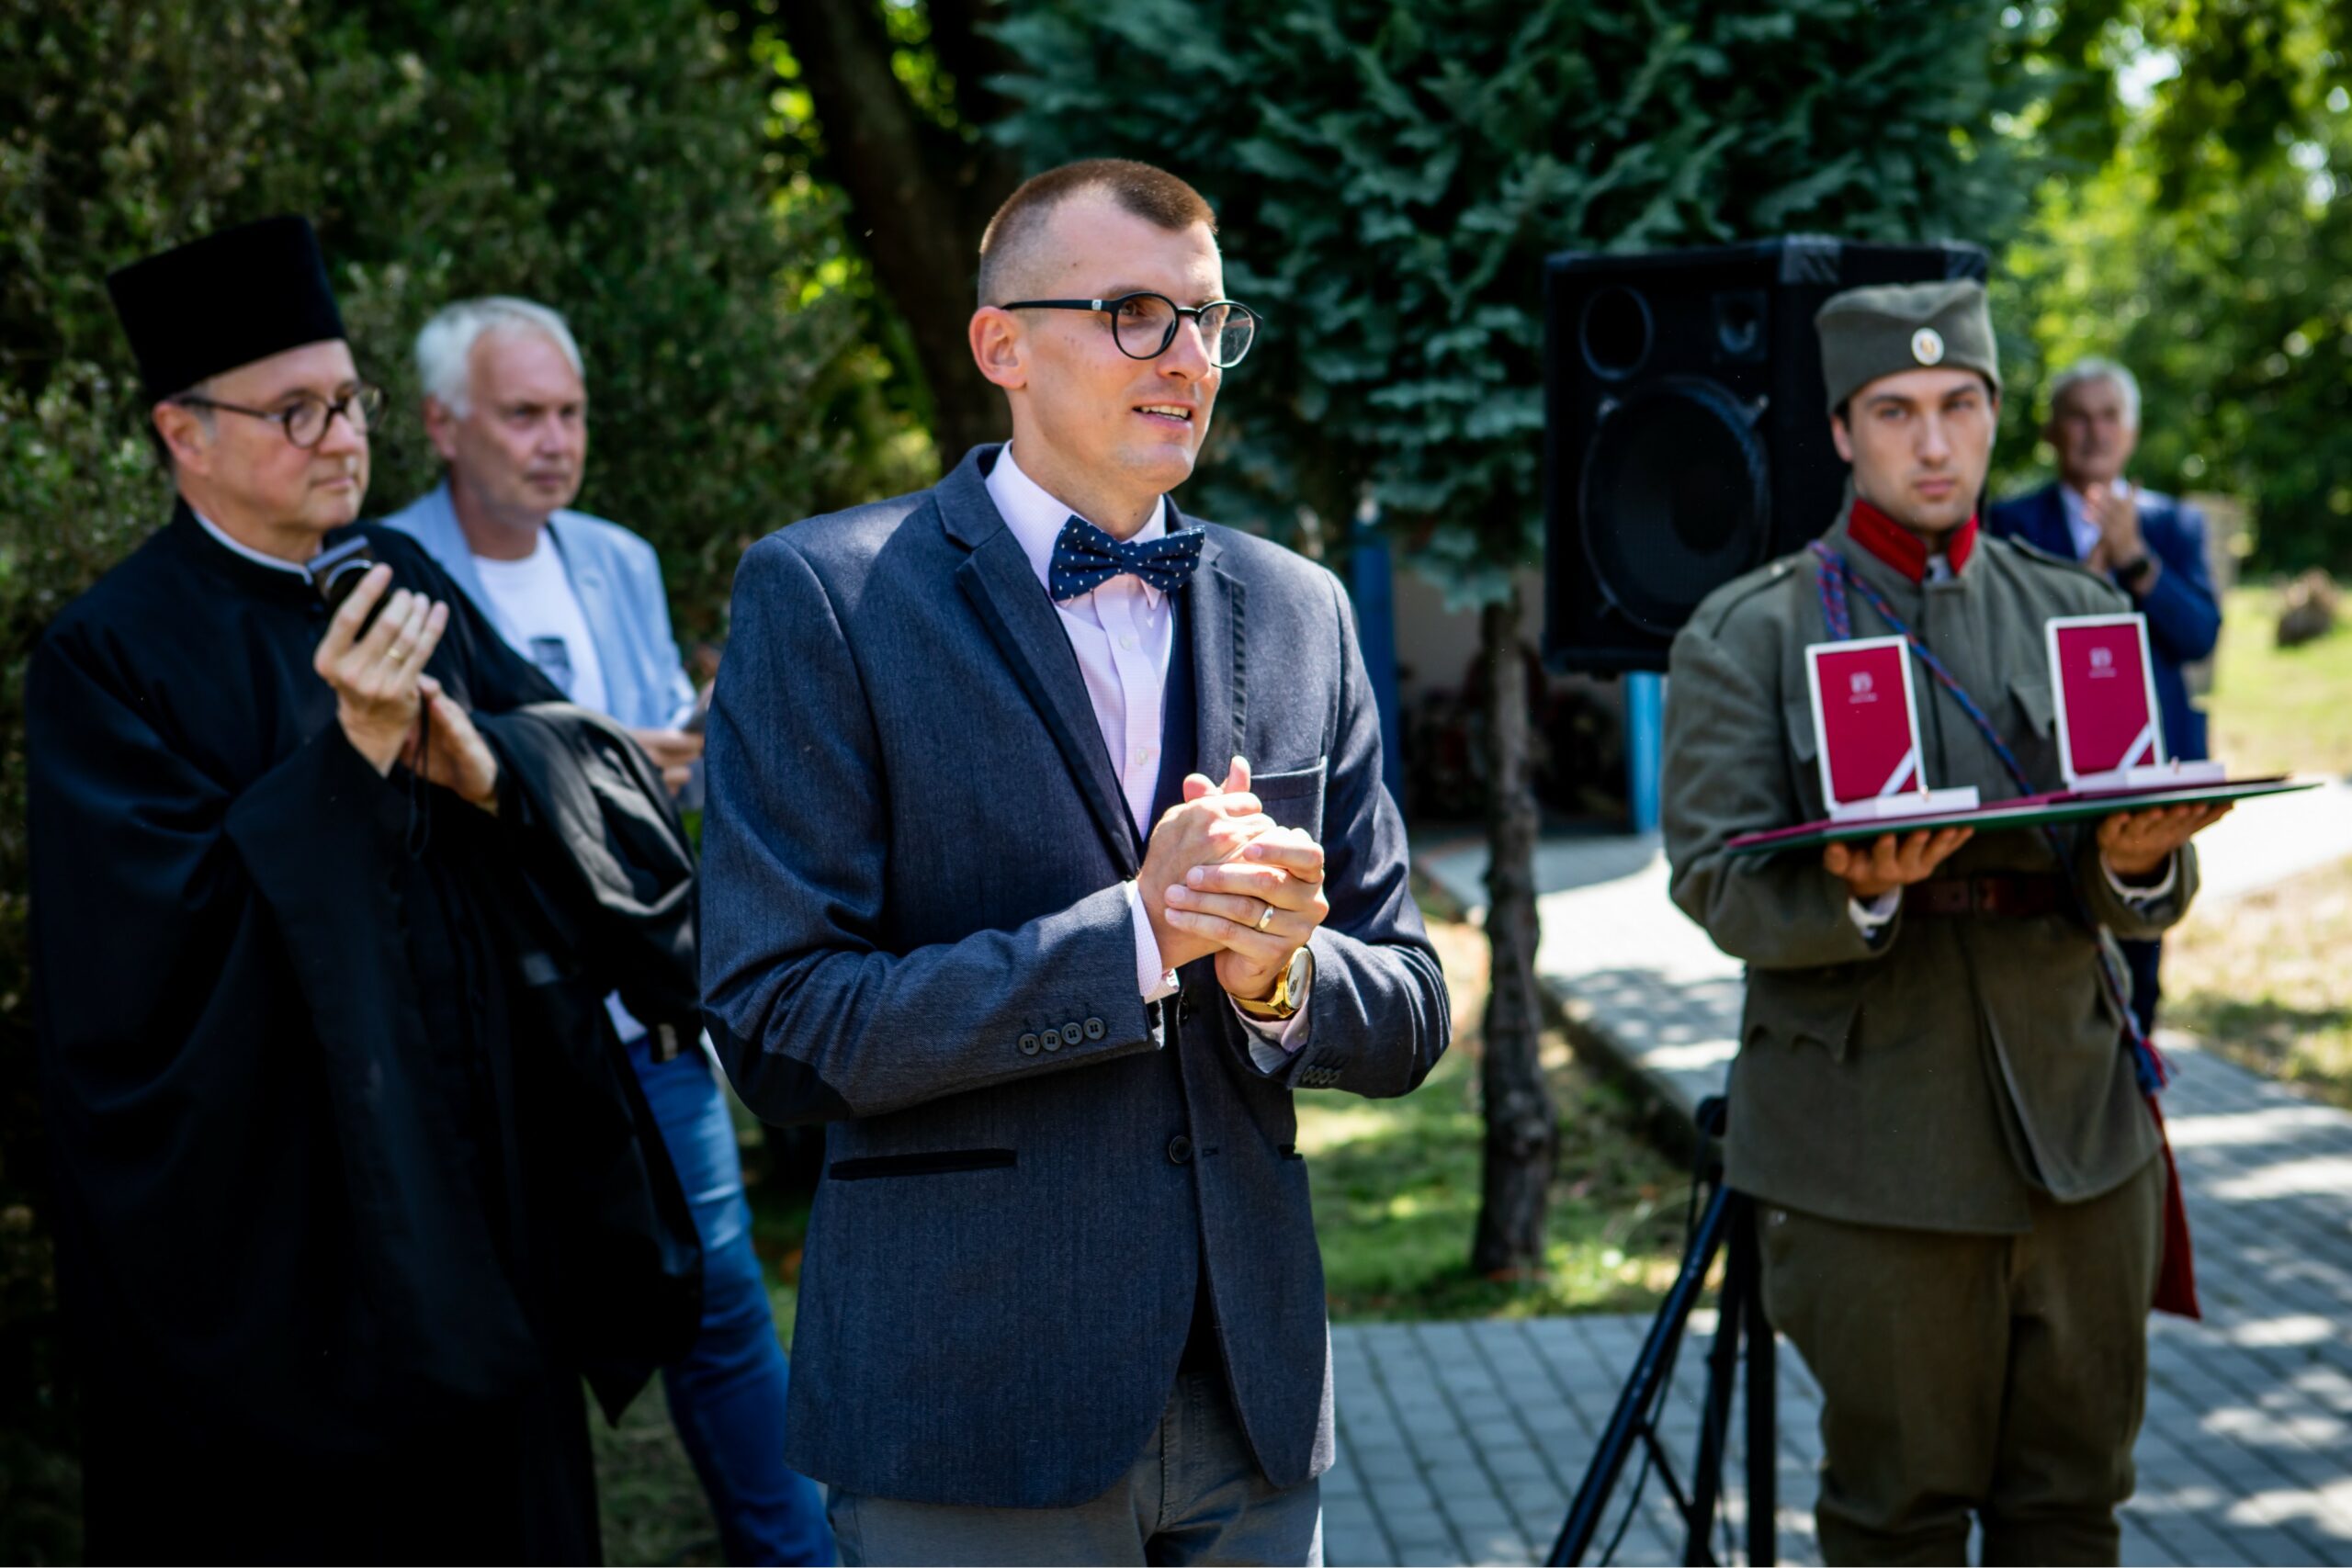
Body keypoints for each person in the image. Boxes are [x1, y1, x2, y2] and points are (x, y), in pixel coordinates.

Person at [699, 158, 1450, 1565]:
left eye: (1208, 321)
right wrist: (1134, 940)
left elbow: (1411, 1003)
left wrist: (1279, 973)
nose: (1184, 359)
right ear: (1002, 345)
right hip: (973, 1400)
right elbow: (779, 1026)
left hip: (1255, 1401)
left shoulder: (1304, 612)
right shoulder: (829, 595)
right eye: (1131, 314)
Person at [29, 217, 702, 1562]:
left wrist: (490, 772)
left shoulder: (405, 581)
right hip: (289, 1246)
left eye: (349, 399)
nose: (343, 437)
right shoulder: (107, 656)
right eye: (296, 410)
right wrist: (341, 762)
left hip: (477, 1194)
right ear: (183, 431)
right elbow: (143, 973)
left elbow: (577, 772)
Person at [1661, 280, 2231, 1565]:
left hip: (2083, 1140)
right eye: (1897, 410)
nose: (1933, 442)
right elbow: (1712, 877)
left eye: (1960, 405)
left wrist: (2140, 872)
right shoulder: (1749, 633)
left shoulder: (2081, 612)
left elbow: (2140, 868)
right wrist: (1859, 890)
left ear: (1993, 418)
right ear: (1844, 429)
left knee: (2072, 1510)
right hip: (1875, 1154)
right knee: (1898, 1518)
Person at [380, 295, 832, 1567]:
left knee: (722, 1312)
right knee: (511, 1344)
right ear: (441, 423)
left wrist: (661, 762)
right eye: (523, 412)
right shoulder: (382, 566)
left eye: (569, 411)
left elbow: (638, 790)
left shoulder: (619, 559)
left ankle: (794, 1557)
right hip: (491, 1039)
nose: (554, 438)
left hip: (645, 1025)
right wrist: (587, 760)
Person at [1990, 358, 2223, 1036]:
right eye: (2078, 415)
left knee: (2141, 949)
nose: (2093, 432)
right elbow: (2006, 647)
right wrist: (2078, 586)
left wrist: (2135, 561)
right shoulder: (2011, 521)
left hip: (2150, 769)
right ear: (2052, 431)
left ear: (2132, 429)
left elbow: (2199, 635)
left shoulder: (2171, 524)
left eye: (2108, 416)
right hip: (2051, 765)